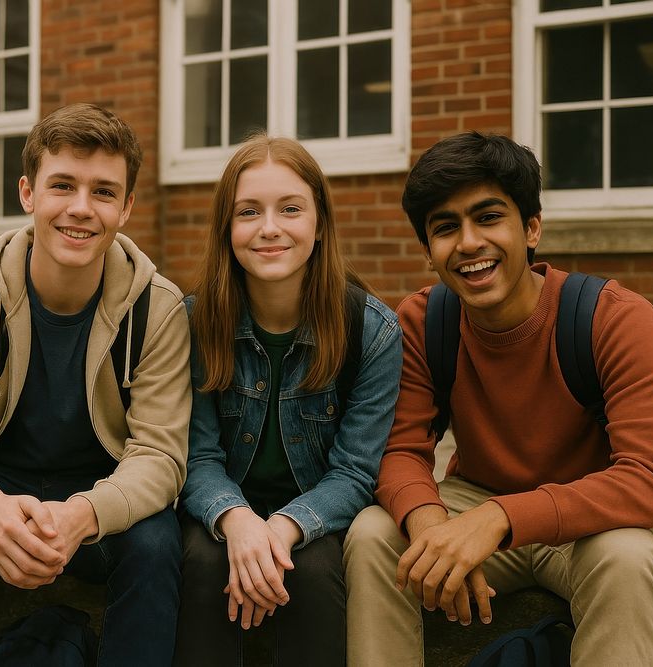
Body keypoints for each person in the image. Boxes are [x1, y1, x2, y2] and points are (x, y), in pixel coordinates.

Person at [0, 103, 191, 666]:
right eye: (62, 185)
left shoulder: (158, 307)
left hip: (101, 493)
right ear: (27, 192)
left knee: (158, 542)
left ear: (127, 206)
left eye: (103, 192)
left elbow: (161, 457)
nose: (80, 208)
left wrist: (84, 514)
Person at [344, 131, 653, 665]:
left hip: (587, 524)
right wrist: (432, 530)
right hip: (475, 501)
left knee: (629, 557)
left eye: (488, 218)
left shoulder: (615, 319)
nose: (468, 243)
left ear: (532, 227)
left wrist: (497, 518)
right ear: (428, 252)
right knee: (375, 532)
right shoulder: (424, 322)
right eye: (446, 228)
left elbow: (647, 476)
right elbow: (398, 451)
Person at [173, 134, 402, 666]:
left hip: (316, 511)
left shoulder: (371, 330)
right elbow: (195, 455)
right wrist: (238, 519)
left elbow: (354, 472)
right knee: (203, 563)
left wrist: (279, 527)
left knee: (316, 572)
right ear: (227, 230)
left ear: (319, 224)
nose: (269, 228)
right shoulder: (192, 322)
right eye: (248, 211)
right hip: (219, 509)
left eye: (291, 209)